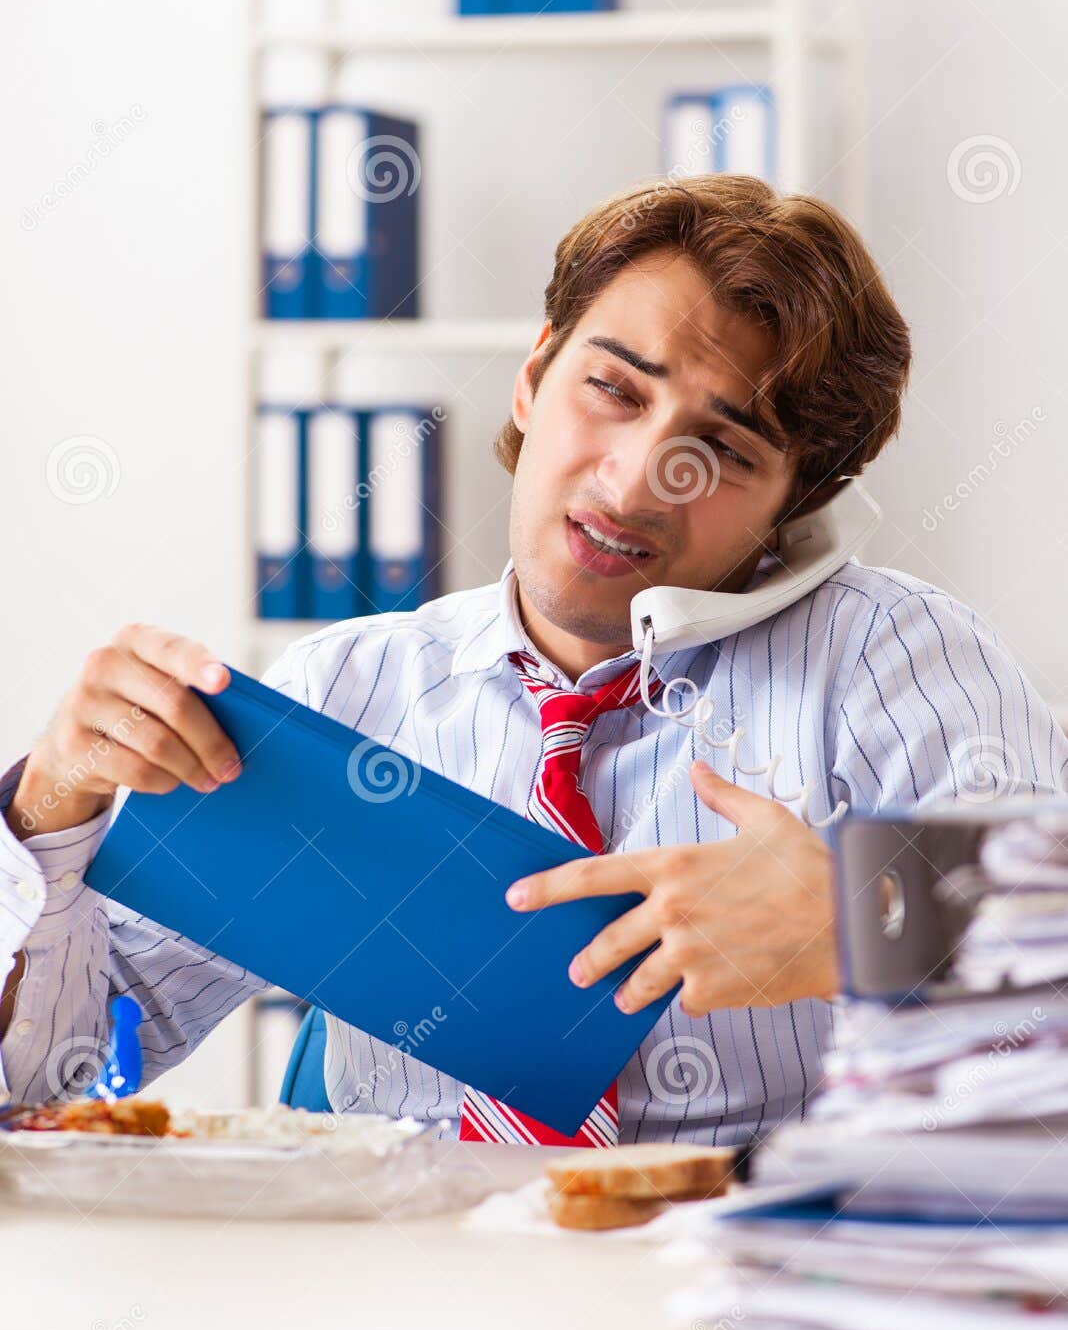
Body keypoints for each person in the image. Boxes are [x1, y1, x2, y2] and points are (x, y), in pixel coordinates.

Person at [2, 176, 1064, 1145]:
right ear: (532, 378)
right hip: (396, 1308)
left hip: (742, 1309)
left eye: (728, 450)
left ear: (798, 500)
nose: (642, 479)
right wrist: (50, 805)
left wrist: (864, 928)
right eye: (614, 388)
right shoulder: (347, 691)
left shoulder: (897, 661)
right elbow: (46, 1070)